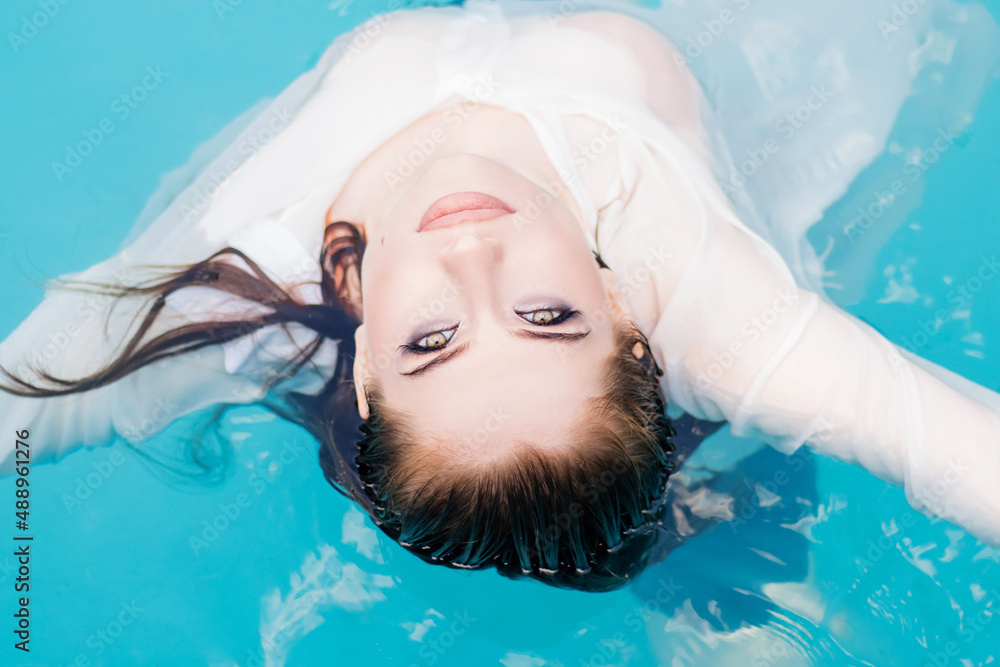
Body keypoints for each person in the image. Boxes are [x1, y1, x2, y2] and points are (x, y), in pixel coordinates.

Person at [1, 0, 998, 591]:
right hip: (779, 61)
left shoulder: (235, 273)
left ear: (365, 383)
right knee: (740, 452)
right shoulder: (704, 304)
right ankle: (735, 596)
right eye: (547, 317)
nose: (472, 261)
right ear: (622, 314)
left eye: (432, 340)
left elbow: (24, 403)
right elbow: (947, 446)